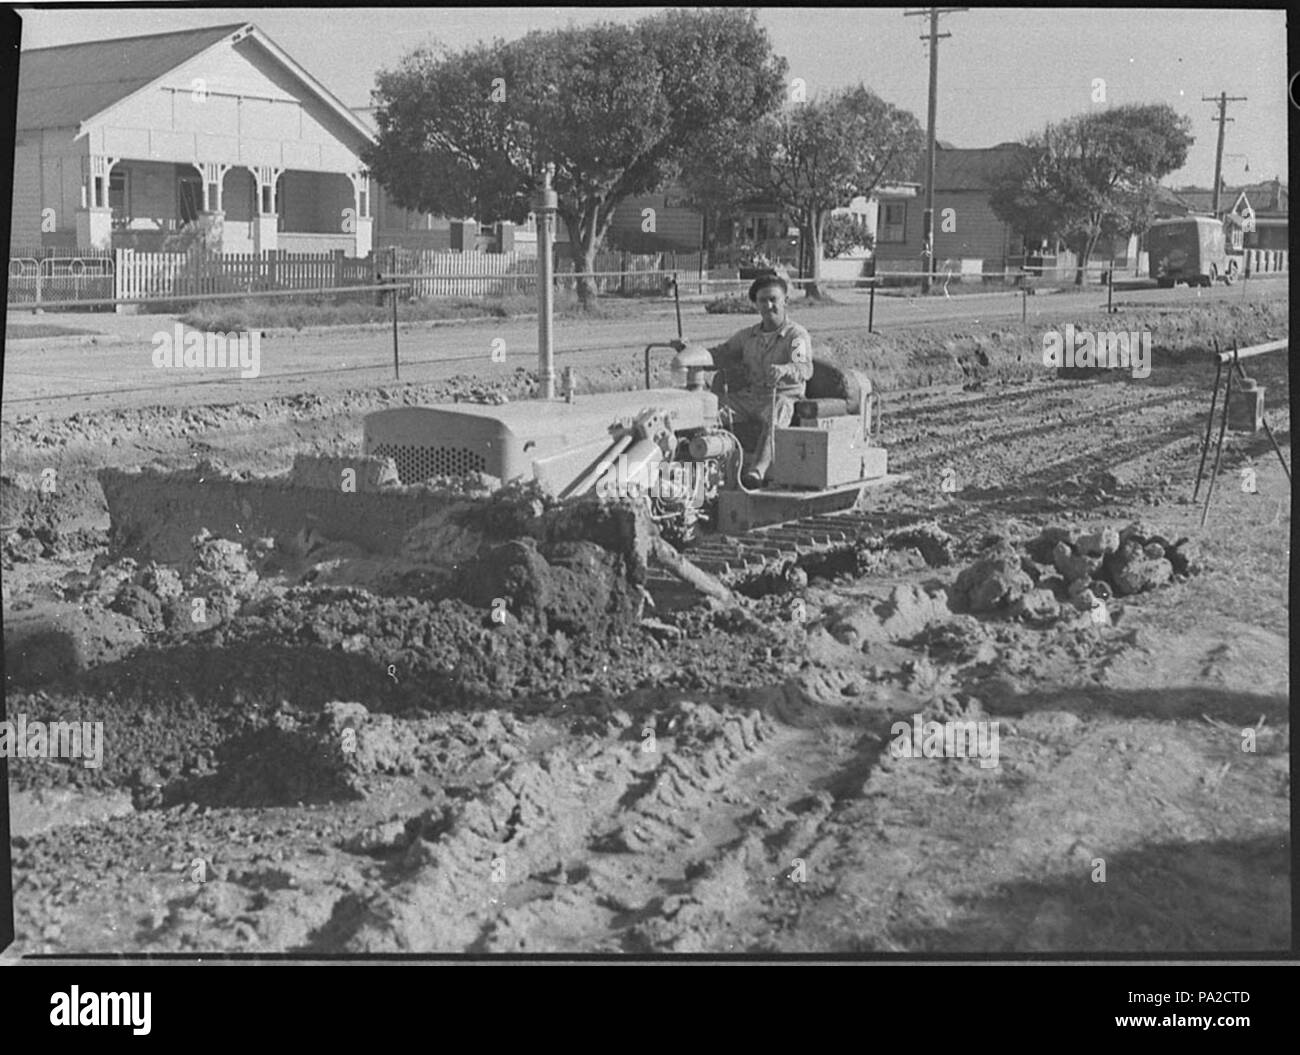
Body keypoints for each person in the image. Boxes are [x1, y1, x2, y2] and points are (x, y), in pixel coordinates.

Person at [707, 271, 813, 488]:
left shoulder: (796, 335)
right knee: (710, 409)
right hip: (751, 397)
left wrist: (785, 370)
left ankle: (758, 470)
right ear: (756, 304)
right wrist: (691, 352)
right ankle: (709, 463)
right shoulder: (747, 336)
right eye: (763, 300)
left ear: (785, 301)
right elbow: (721, 354)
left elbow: (804, 367)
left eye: (773, 299)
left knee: (778, 411)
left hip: (783, 397)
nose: (769, 306)